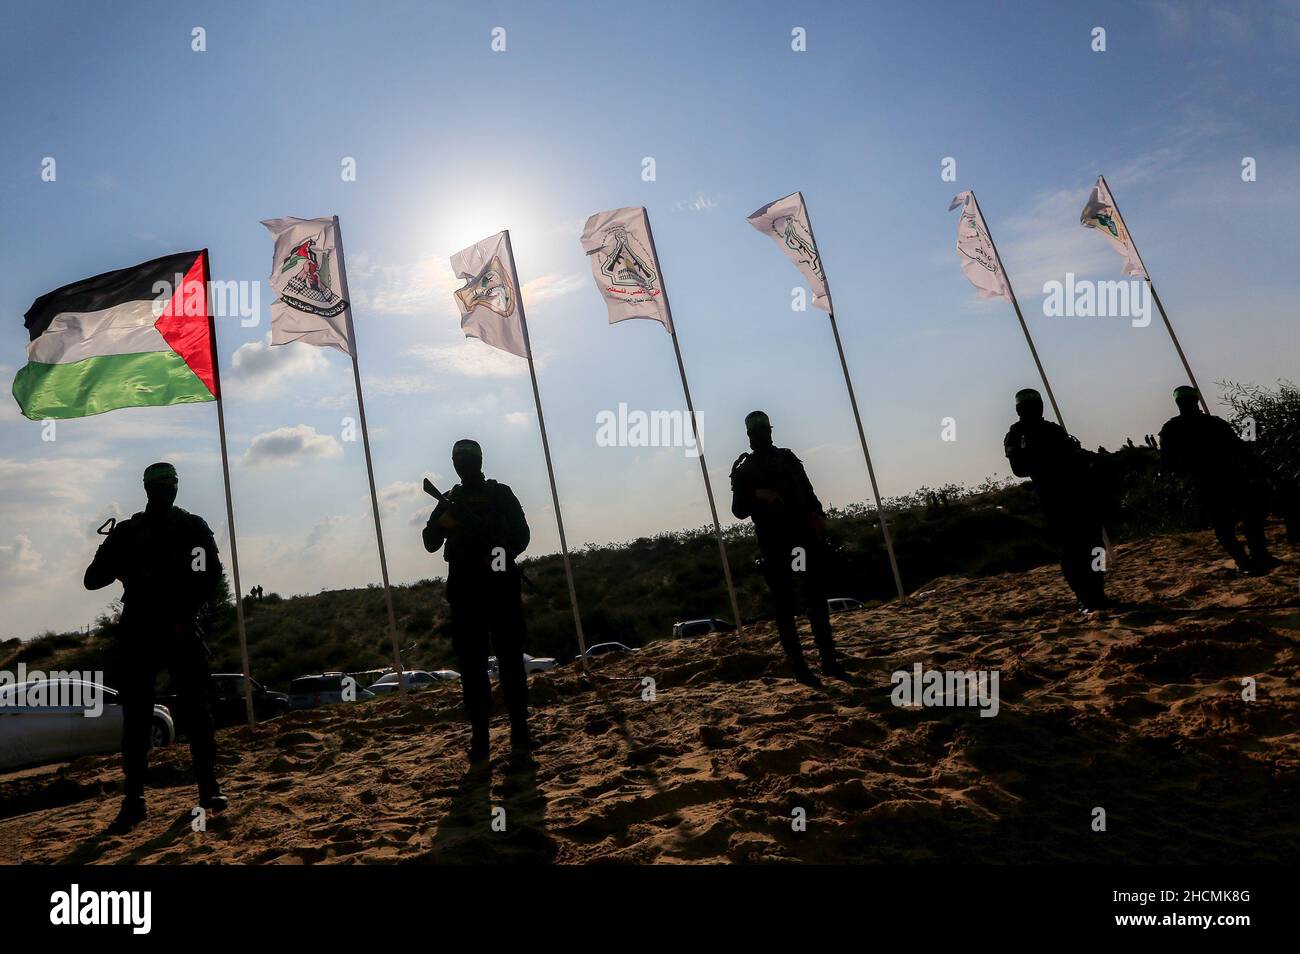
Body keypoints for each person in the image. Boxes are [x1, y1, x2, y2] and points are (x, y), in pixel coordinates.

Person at [84, 462, 227, 833]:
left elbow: (208, 575)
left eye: (167, 484)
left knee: (180, 713)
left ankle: (178, 793)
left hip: (160, 628)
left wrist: (183, 609)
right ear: (163, 488)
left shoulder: (170, 529)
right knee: (163, 715)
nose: (166, 490)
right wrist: (120, 562)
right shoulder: (154, 530)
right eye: (165, 484)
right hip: (154, 629)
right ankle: (147, 797)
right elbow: (94, 578)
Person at [422, 439, 532, 765]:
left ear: (479, 461)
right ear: (455, 464)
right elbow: (430, 542)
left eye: (468, 459)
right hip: (467, 595)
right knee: (473, 669)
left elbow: (521, 536)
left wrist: (495, 557)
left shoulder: (500, 494)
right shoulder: (449, 501)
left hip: (499, 591)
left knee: (510, 663)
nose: (464, 465)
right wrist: (444, 524)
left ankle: (519, 733)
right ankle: (481, 737)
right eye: (460, 460)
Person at [730, 411, 846, 686]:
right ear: (750, 437)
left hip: (801, 539)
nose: (763, 437)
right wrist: (757, 494)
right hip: (774, 544)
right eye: (758, 434)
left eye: (765, 432)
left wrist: (818, 516)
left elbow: (807, 491)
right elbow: (739, 510)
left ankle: (829, 661)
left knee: (815, 600)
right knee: (784, 606)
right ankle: (800, 668)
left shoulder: (787, 458)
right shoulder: (745, 469)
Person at [1003, 389, 1111, 611]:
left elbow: (1073, 455)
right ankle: (1084, 596)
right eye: (1028, 406)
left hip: (1079, 494)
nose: (1033, 409)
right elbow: (1019, 468)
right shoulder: (1017, 435)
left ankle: (1097, 592)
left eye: (1035, 404)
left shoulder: (1053, 430)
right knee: (1072, 550)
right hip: (1054, 499)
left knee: (1094, 545)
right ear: (1019, 410)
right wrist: (1047, 461)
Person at [1159, 385, 1279, 574]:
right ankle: (1253, 558)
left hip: (1210, 482)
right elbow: (1240, 449)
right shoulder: (1213, 424)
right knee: (1246, 520)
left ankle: (1247, 560)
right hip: (1225, 478)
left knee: (1230, 525)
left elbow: (1168, 462)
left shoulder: (1172, 429)